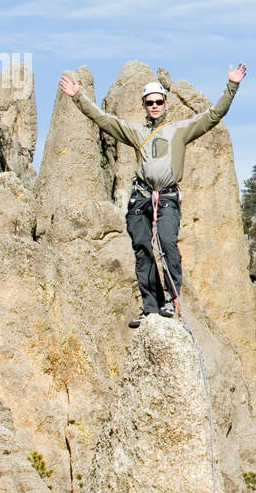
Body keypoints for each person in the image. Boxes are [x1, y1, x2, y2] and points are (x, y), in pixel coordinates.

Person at [59, 63, 246, 328]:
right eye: (150, 103)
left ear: (166, 103)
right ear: (144, 106)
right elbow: (103, 120)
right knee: (142, 248)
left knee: (167, 242)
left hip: (167, 196)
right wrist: (78, 96)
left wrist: (232, 85)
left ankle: (171, 298)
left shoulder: (180, 130)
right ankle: (150, 307)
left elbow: (214, 115)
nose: (155, 106)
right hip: (141, 196)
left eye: (158, 101)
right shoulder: (138, 133)